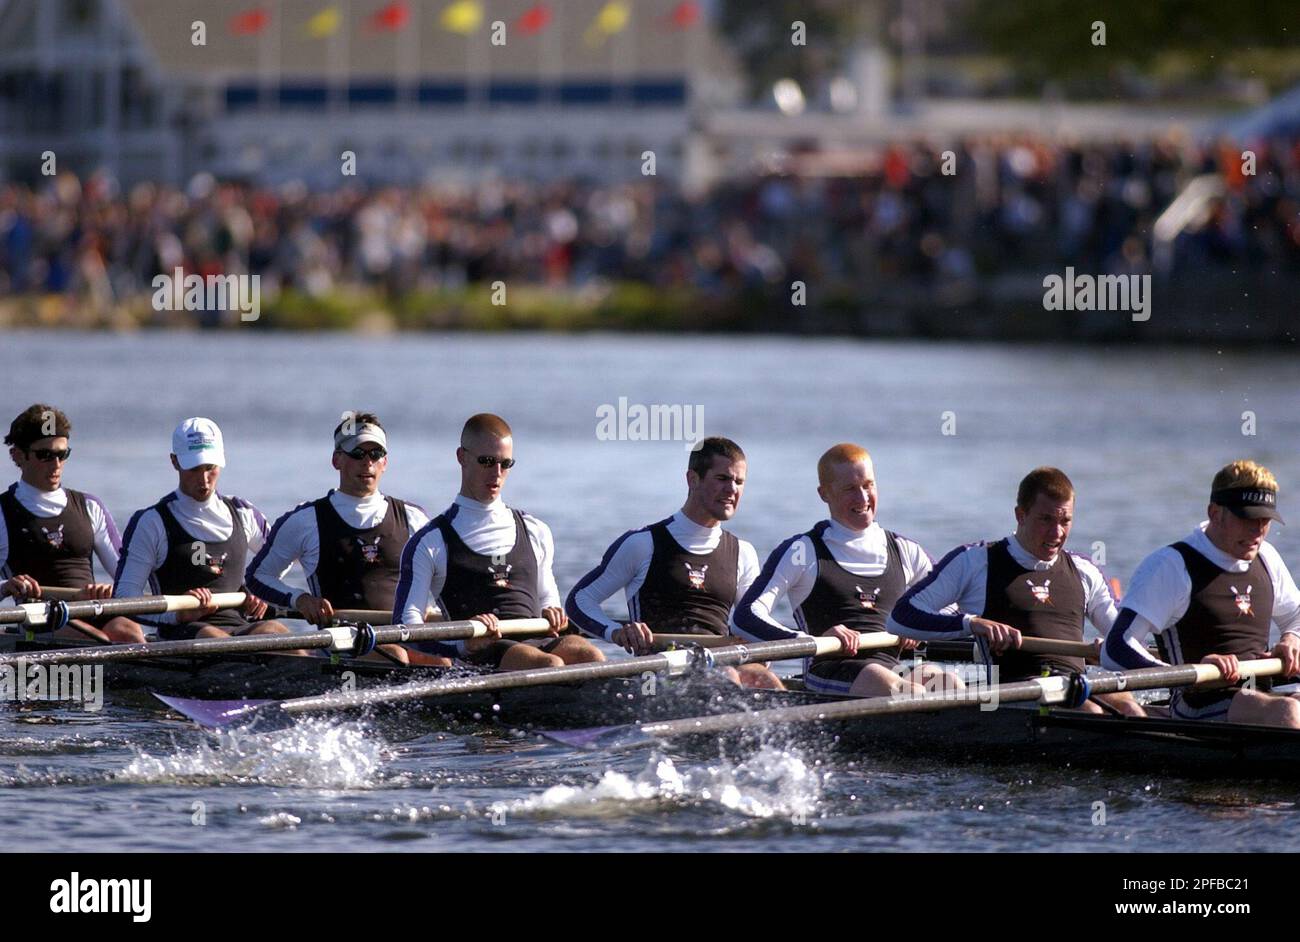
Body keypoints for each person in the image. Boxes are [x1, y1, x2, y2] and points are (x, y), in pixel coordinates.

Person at [887, 466, 1145, 716]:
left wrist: (1113, 647)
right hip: (1014, 693)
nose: (1057, 532)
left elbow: (1126, 639)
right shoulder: (976, 561)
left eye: (1065, 521)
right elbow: (901, 617)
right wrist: (971, 624)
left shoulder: (1084, 569)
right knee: (1089, 710)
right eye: (1046, 520)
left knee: (1131, 708)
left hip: (1077, 684)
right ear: (1020, 515)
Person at [732, 443, 959, 697]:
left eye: (868, 485)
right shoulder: (802, 551)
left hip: (892, 668)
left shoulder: (906, 550)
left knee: (950, 684)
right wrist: (809, 642)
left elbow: (951, 606)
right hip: (830, 669)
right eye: (850, 489)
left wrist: (916, 622)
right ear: (824, 493)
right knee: (904, 690)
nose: (863, 498)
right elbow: (745, 616)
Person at [567, 436, 783, 689]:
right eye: (723, 479)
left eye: (739, 481)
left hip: (719, 660)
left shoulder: (743, 552)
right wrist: (616, 632)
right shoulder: (643, 543)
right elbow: (579, 601)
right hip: (658, 670)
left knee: (763, 677)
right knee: (728, 676)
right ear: (693, 479)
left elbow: (751, 622)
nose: (732, 489)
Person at [394, 413, 603, 669]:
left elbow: (548, 598)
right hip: (480, 652)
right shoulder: (430, 542)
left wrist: (552, 611)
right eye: (486, 461)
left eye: (506, 463)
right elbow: (406, 625)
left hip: (535, 643)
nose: (497, 473)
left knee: (592, 657)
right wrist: (461, 645)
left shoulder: (535, 530)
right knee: (550, 665)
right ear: (462, 457)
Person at [1102, 460, 1300, 726]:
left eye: (1265, 520)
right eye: (1247, 518)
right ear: (1214, 513)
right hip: (1198, 704)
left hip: (1257, 696)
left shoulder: (1267, 558)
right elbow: (1116, 648)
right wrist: (1188, 676)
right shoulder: (1171, 565)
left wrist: (1291, 640)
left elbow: (1296, 615)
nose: (1257, 531)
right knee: (1287, 713)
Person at [246, 412, 449, 666]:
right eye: (357, 454)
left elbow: (446, 584)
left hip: (400, 633)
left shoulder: (413, 518)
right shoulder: (305, 520)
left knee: (442, 662)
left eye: (375, 455)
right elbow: (257, 577)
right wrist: (300, 599)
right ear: (337, 460)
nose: (368, 463)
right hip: (339, 639)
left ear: (385, 462)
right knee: (395, 657)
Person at [114, 417, 296, 647]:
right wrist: (179, 614)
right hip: (180, 632)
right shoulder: (151, 522)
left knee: (278, 632)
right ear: (175, 462)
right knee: (216, 640)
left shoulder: (243, 512)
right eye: (193, 469)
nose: (203, 480)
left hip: (239, 627)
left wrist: (259, 591)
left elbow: (281, 559)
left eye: (210, 468)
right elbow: (124, 598)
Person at [1, 404, 143, 643]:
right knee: (97, 640)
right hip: (39, 617)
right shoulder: (3, 513)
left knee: (130, 634)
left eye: (62, 454)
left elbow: (127, 575)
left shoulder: (90, 506)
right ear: (18, 455)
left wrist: (111, 589)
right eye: (45, 455)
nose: (55, 464)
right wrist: (6, 586)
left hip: (91, 607)